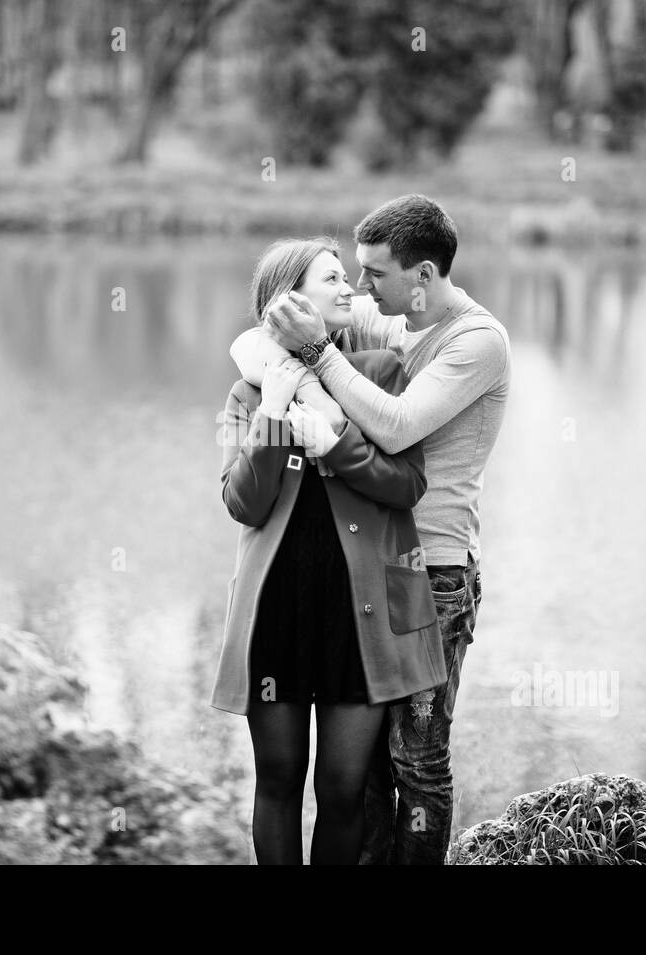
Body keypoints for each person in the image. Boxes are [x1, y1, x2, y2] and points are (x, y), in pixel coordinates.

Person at [229, 195, 512, 864]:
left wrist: (319, 386)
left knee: (414, 763)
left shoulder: (476, 341)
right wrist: (274, 385)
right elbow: (259, 331)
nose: (359, 290)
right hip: (367, 578)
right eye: (347, 275)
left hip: (432, 571)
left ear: (421, 277)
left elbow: (395, 429)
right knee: (367, 775)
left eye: (372, 275)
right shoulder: (392, 318)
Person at [210, 236, 448, 865]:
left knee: (343, 792)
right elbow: (242, 504)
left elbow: (407, 485)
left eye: (348, 277)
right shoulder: (247, 392)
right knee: (280, 781)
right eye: (332, 279)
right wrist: (273, 412)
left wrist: (336, 447)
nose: (350, 290)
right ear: (290, 301)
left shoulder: (379, 375)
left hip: (358, 616)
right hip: (277, 614)